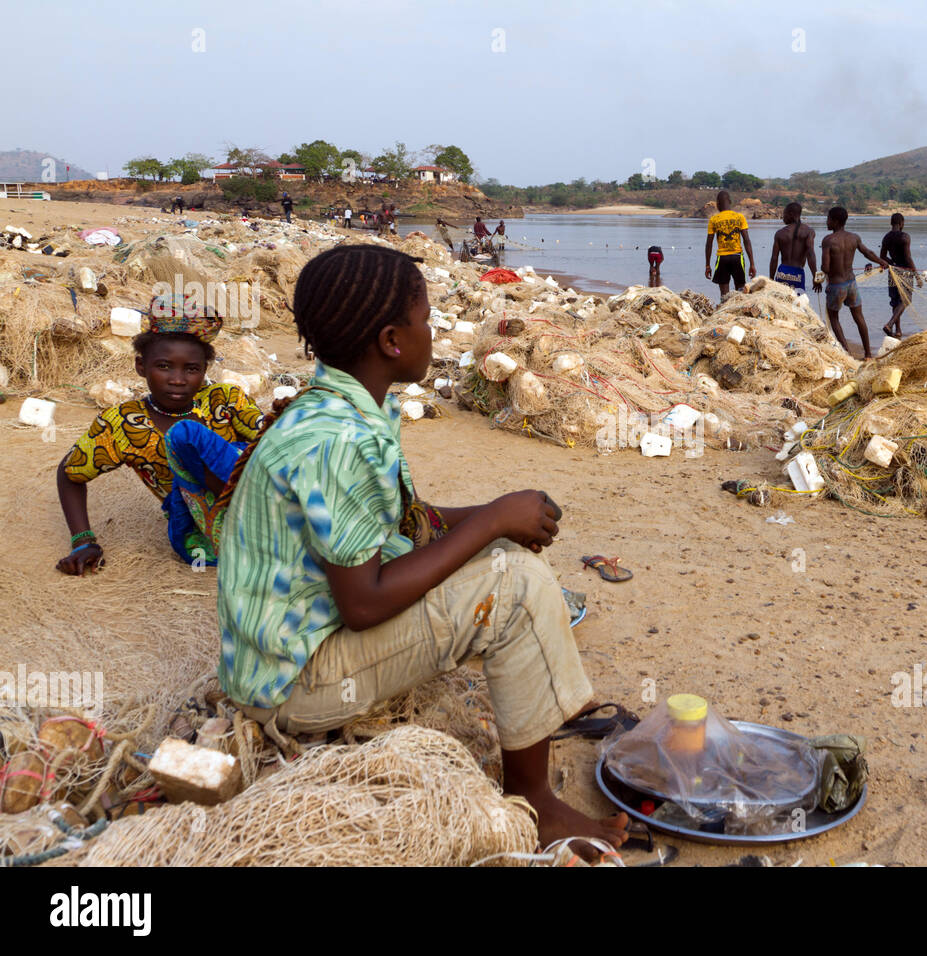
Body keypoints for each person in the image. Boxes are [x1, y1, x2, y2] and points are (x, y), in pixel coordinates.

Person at [214, 244, 629, 853]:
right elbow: (363, 603)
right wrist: (488, 522)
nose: (431, 332)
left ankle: (534, 723)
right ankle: (535, 804)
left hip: (290, 651)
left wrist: (495, 522)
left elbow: (399, 523)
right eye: (425, 319)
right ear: (391, 341)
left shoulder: (347, 405)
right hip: (294, 683)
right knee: (513, 585)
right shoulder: (338, 441)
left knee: (500, 557)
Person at [55, 295, 265, 575]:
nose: (177, 379)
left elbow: (269, 441)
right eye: (164, 366)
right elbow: (70, 473)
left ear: (204, 370)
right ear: (141, 366)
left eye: (191, 369)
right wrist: (83, 541)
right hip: (202, 533)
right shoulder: (123, 425)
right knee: (186, 436)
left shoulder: (224, 399)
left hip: (262, 501)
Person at [821, 206, 891, 356]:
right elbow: (868, 253)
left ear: (835, 221)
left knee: (833, 318)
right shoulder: (854, 237)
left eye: (828, 219)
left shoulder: (828, 241)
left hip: (836, 286)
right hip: (852, 284)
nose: (826, 222)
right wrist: (881, 262)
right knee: (859, 318)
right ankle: (868, 355)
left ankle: (846, 351)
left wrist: (819, 275)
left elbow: (825, 268)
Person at [704, 190, 756, 301]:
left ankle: (725, 313)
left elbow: (709, 244)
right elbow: (747, 240)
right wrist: (752, 263)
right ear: (730, 202)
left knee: (724, 295)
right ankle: (739, 313)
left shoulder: (714, 219)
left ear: (717, 204)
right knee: (741, 290)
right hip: (737, 257)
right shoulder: (739, 217)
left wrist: (707, 265)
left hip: (722, 258)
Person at [880, 213, 919, 338]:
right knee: (906, 299)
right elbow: (908, 257)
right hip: (905, 271)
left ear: (891, 223)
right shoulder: (904, 237)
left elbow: (882, 256)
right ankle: (890, 324)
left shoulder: (886, 237)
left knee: (895, 301)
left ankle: (898, 330)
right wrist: (917, 275)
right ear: (902, 223)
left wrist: (893, 263)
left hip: (893, 272)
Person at [769, 202, 820, 293]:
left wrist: (771, 279)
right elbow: (811, 255)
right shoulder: (808, 232)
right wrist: (815, 277)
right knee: (797, 303)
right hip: (797, 274)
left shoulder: (780, 233)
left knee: (780, 302)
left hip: (782, 272)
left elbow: (774, 258)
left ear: (791, 214)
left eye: (784, 214)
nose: (783, 217)